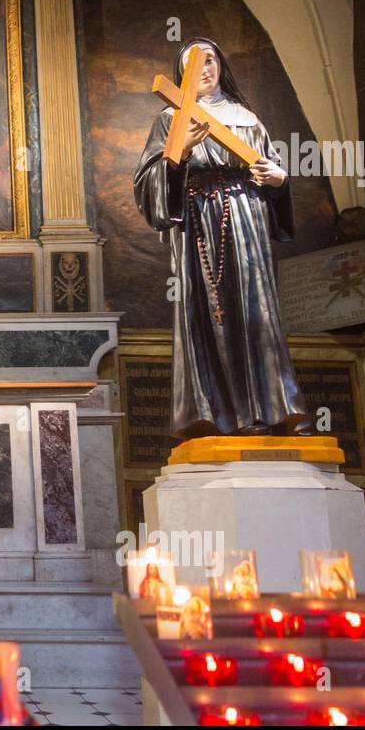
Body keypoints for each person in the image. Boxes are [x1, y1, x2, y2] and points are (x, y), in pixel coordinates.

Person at [134, 38, 307, 439]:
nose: (205, 68)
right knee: (205, 311)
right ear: (183, 76)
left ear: (220, 65)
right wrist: (177, 158)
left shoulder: (246, 118)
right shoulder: (171, 118)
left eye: (210, 60)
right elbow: (147, 182)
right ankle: (216, 415)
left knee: (255, 311)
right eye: (194, 63)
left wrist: (279, 180)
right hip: (195, 221)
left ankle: (273, 410)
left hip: (244, 217)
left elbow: (269, 170)